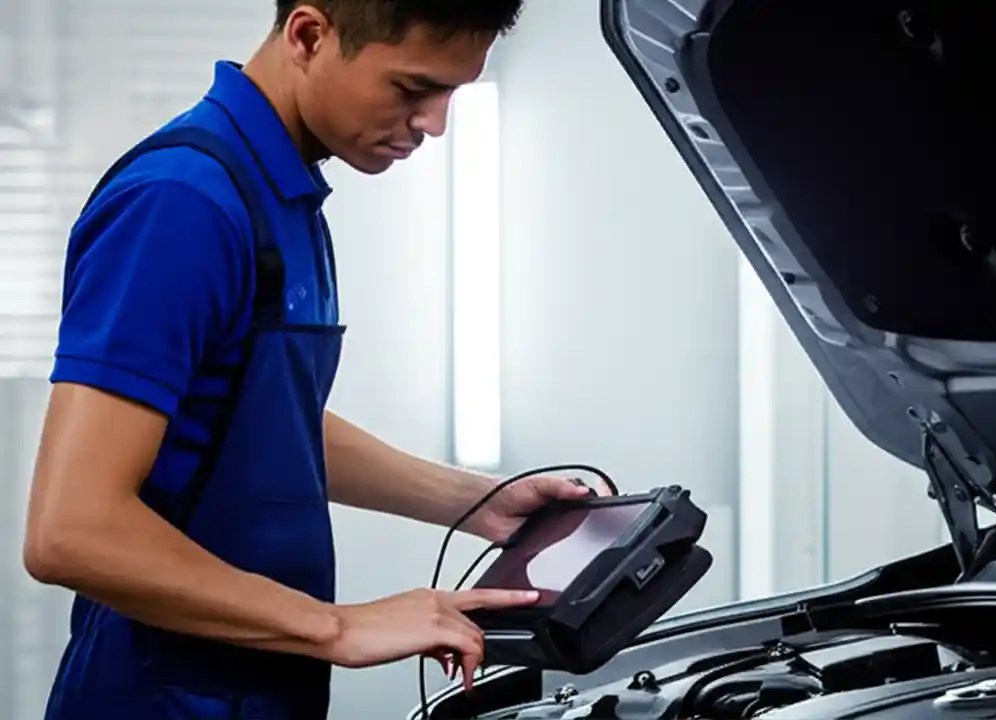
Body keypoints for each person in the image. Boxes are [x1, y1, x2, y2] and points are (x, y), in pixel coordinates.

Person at [21, 2, 589, 718]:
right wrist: (339, 626)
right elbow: (70, 532)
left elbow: (253, 418)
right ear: (309, 36)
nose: (435, 123)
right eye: (414, 88)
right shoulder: (182, 202)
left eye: (453, 92)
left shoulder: (278, 193)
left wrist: (473, 501)